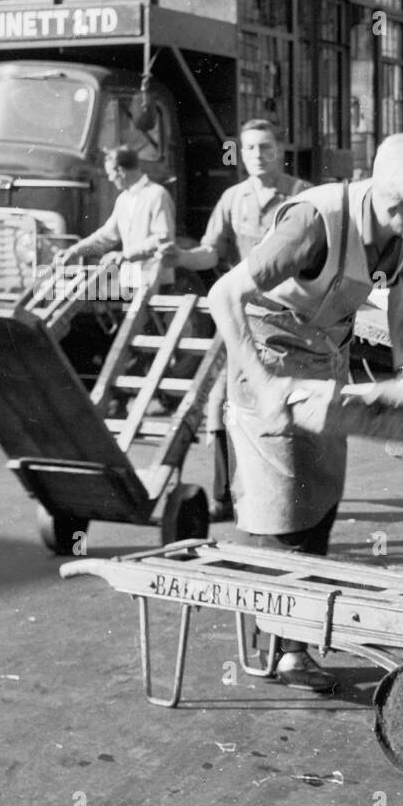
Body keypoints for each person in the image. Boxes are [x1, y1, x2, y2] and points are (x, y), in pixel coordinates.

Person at [208, 133, 403, 691]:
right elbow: (224, 294)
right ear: (394, 207)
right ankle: (280, 647)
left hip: (325, 358)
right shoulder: (313, 221)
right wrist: (264, 383)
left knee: (320, 493)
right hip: (266, 357)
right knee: (281, 503)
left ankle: (294, 639)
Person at [161, 120, 310, 523]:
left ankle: (299, 497)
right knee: (221, 403)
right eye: (248, 149)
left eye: (265, 147)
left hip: (292, 322)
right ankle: (223, 497)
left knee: (292, 407)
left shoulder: (303, 198)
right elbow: (211, 252)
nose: (257, 156)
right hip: (243, 320)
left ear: (281, 148)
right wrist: (181, 256)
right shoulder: (233, 198)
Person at [56, 146, 176, 292]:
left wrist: (125, 255)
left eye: (110, 173)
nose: (110, 178)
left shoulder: (157, 195)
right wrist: (74, 250)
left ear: (121, 171)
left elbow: (163, 238)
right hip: (131, 281)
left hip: (155, 281)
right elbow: (106, 236)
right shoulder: (123, 199)